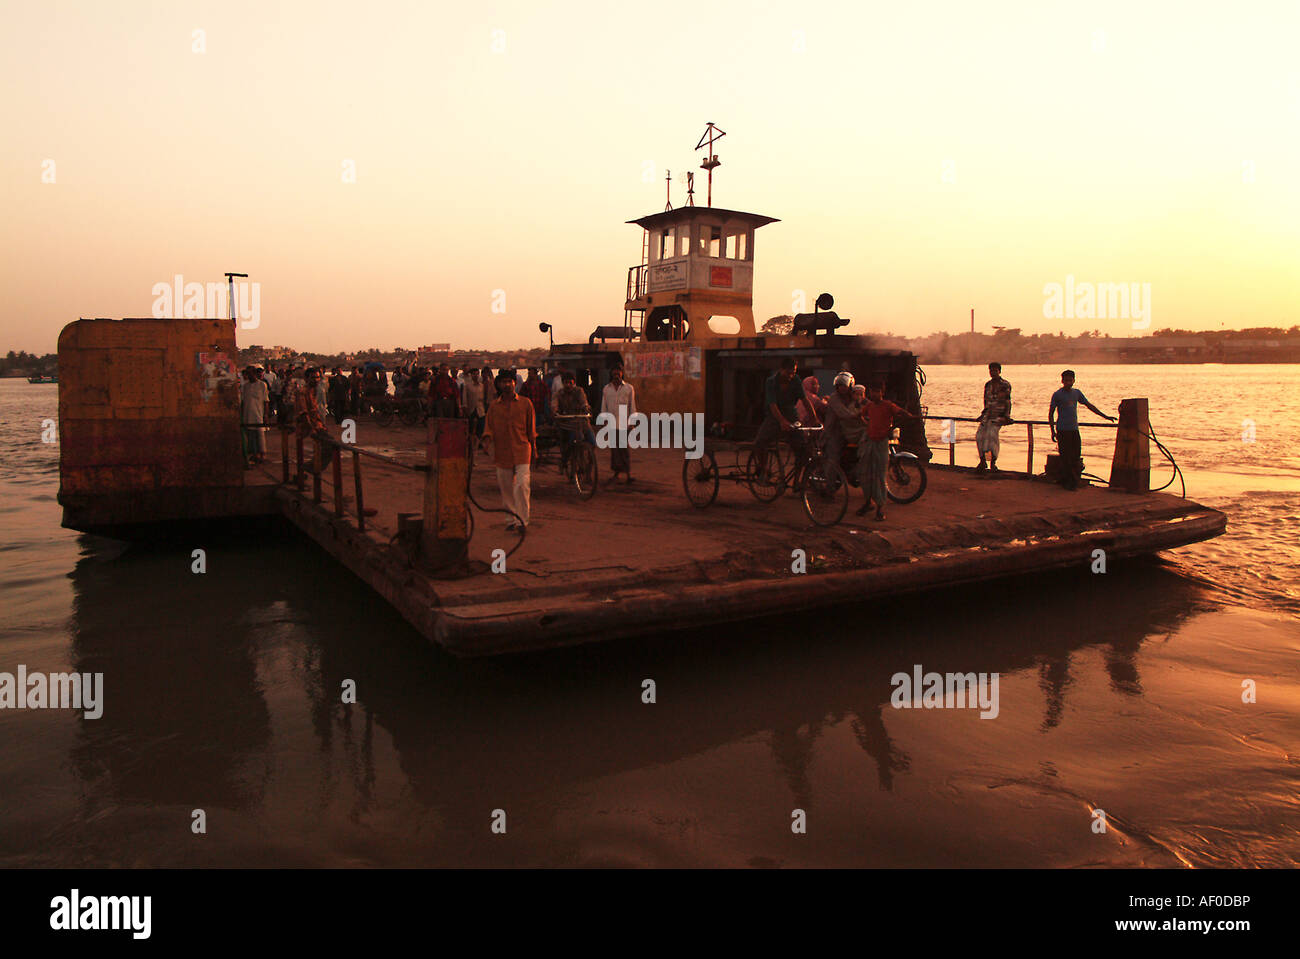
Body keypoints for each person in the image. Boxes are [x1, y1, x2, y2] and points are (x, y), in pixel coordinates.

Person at [859, 381, 919, 521]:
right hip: (870, 443)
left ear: (882, 392)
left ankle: (880, 508)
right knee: (866, 475)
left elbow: (900, 412)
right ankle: (868, 502)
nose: (875, 394)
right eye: (872, 391)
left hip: (881, 443)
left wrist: (907, 416)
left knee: (880, 476)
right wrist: (867, 425)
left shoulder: (888, 405)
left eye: (877, 391)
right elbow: (860, 415)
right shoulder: (869, 406)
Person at [485, 371, 536, 530]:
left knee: (522, 485)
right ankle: (511, 519)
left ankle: (522, 520)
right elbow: (488, 428)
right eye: (504, 382)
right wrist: (486, 441)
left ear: (515, 383)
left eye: (510, 381)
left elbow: (531, 430)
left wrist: (534, 449)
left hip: (522, 449)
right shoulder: (494, 406)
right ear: (499, 384)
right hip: (502, 451)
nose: (507, 385)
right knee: (506, 488)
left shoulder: (526, 403)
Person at [1049, 370, 1115, 490]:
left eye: (1071, 380)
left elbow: (1089, 405)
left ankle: (1072, 481)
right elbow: (1051, 413)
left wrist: (1105, 416)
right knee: (1065, 456)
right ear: (1062, 381)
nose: (1068, 382)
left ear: (1074, 380)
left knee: (1075, 456)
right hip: (1063, 430)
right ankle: (1068, 482)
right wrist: (1052, 431)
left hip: (1074, 429)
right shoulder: (1057, 395)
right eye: (1066, 380)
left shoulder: (1077, 393)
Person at [753, 356, 810, 484]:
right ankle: (763, 469)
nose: (791, 376)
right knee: (760, 442)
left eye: (793, 373)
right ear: (782, 370)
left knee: (803, 450)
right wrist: (782, 421)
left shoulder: (796, 380)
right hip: (774, 417)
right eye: (789, 373)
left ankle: (797, 481)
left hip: (792, 416)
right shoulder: (771, 382)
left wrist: (815, 419)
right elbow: (772, 404)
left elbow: (805, 400)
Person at [822, 371, 867, 489]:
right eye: (839, 386)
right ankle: (829, 489)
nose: (841, 388)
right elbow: (844, 414)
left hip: (847, 432)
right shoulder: (834, 398)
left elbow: (865, 404)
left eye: (844, 386)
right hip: (833, 433)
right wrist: (858, 415)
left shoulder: (852, 397)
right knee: (833, 460)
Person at [600, 365, 637, 483]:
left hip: (624, 423)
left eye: (618, 373)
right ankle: (616, 473)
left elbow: (632, 406)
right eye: (614, 373)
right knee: (614, 450)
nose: (616, 375)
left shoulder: (629, 388)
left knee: (624, 449)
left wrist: (632, 422)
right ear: (611, 374)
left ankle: (628, 474)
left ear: (622, 373)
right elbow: (604, 405)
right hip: (611, 422)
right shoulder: (606, 388)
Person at [555, 370, 597, 469]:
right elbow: (554, 404)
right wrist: (555, 411)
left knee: (592, 443)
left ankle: (589, 468)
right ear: (563, 383)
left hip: (582, 422)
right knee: (570, 444)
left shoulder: (579, 391)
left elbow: (584, 402)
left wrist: (586, 408)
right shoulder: (559, 394)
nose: (568, 385)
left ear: (574, 383)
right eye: (566, 382)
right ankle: (566, 461)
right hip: (567, 423)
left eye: (570, 382)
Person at [975, 362, 1013, 473]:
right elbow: (985, 401)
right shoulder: (988, 385)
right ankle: (982, 461)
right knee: (979, 436)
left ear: (999, 371)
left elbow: (1008, 401)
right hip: (987, 415)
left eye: (995, 371)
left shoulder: (1005, 385)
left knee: (992, 437)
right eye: (991, 371)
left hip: (998, 415)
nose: (993, 373)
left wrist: (1006, 416)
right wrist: (983, 414)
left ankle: (993, 462)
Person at [240, 366, 269, 466]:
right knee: (251, 436)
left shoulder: (262, 385)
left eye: (251, 373)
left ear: (255, 373)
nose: (249, 375)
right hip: (248, 414)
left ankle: (262, 454)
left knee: (260, 435)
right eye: (248, 373)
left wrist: (266, 414)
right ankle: (255, 454)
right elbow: (243, 402)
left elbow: (266, 401)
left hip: (258, 414)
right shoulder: (245, 386)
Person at [462, 367, 488, 442]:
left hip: (480, 409)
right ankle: (470, 442)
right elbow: (464, 398)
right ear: (471, 375)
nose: (476, 376)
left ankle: (479, 442)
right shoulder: (467, 386)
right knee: (470, 427)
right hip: (471, 408)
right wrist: (465, 407)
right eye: (474, 374)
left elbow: (484, 397)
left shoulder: (482, 386)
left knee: (481, 426)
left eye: (477, 374)